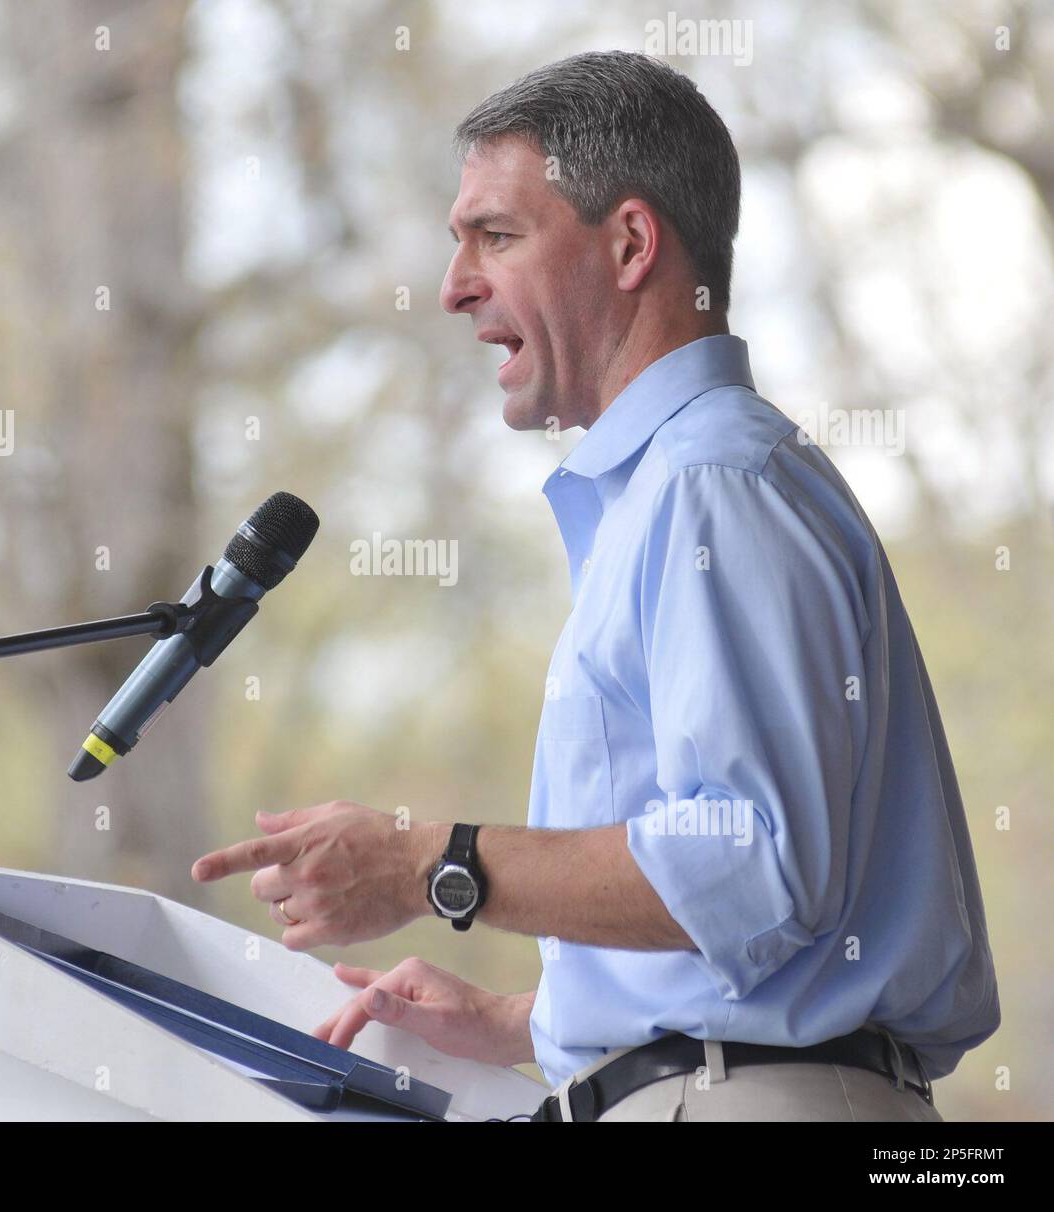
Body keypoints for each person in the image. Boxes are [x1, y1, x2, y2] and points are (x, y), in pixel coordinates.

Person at [191, 50, 999, 1122]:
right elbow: (754, 947)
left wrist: (427, 866)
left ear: (629, 245)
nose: (453, 286)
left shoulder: (712, 487)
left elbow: (757, 867)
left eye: (498, 235)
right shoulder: (690, 488)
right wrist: (533, 1019)